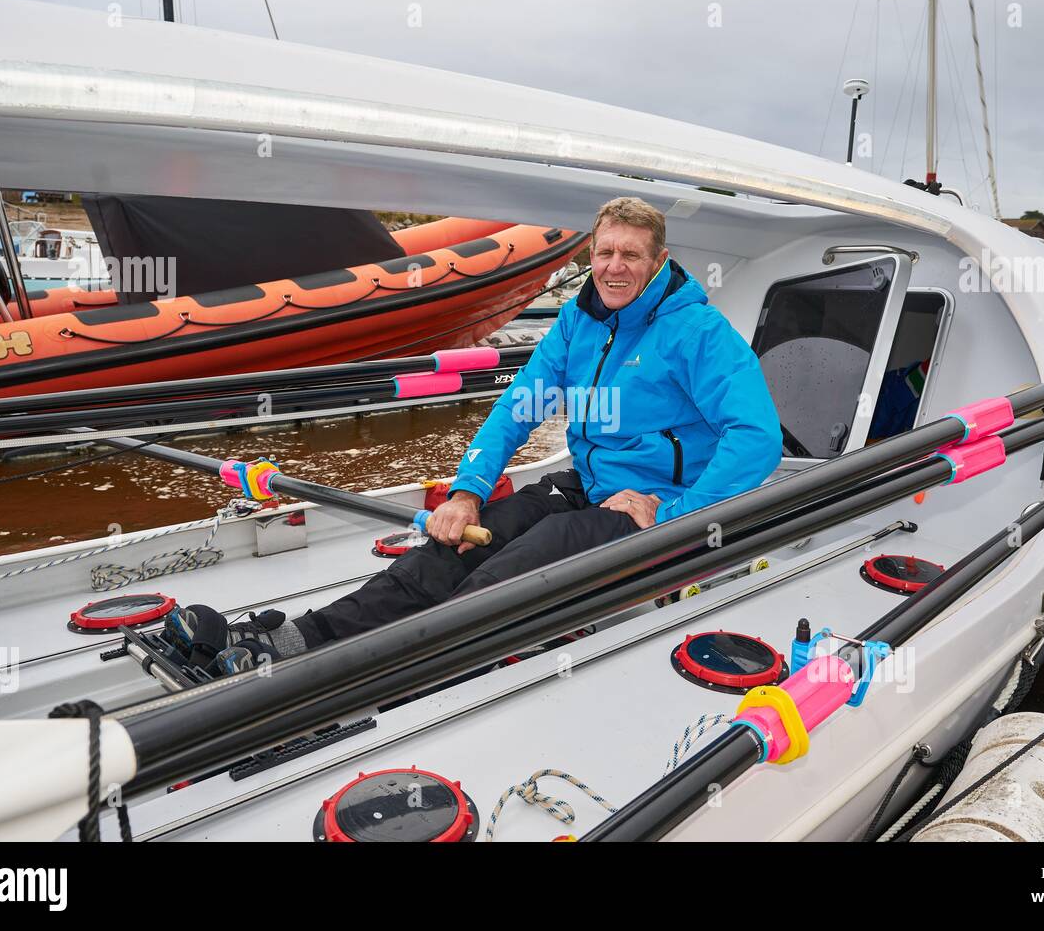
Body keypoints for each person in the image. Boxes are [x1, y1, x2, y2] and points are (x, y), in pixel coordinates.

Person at [166, 197, 783, 674]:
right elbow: (521, 406)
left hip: (645, 508)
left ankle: (360, 679)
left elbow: (756, 437)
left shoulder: (696, 331)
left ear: (656, 264)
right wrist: (467, 493)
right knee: (450, 551)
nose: (615, 267)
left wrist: (675, 513)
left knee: (507, 573)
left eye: (631, 256)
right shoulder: (579, 321)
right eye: (605, 253)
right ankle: (300, 638)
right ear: (589, 258)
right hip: (588, 485)